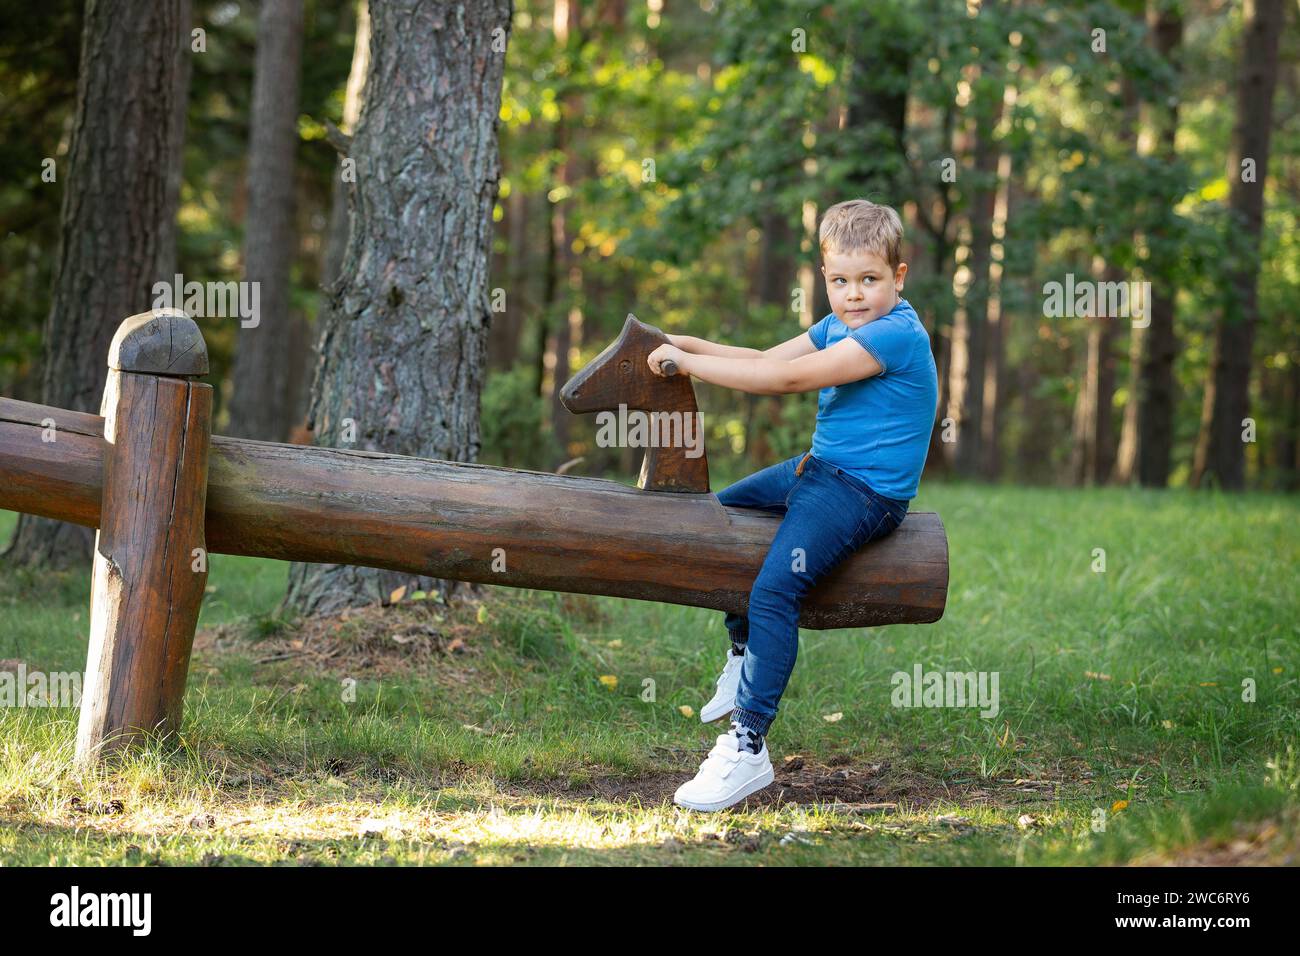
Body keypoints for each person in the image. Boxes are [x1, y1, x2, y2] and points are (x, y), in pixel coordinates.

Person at [646, 199, 939, 812]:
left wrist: (687, 364)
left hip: (861, 493)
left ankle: (747, 746)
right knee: (715, 522)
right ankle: (740, 652)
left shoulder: (895, 334)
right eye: (840, 281)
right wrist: (678, 342)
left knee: (775, 590)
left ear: (899, 277)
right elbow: (762, 360)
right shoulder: (837, 324)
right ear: (825, 279)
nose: (854, 295)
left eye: (869, 280)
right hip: (815, 470)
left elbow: (787, 382)